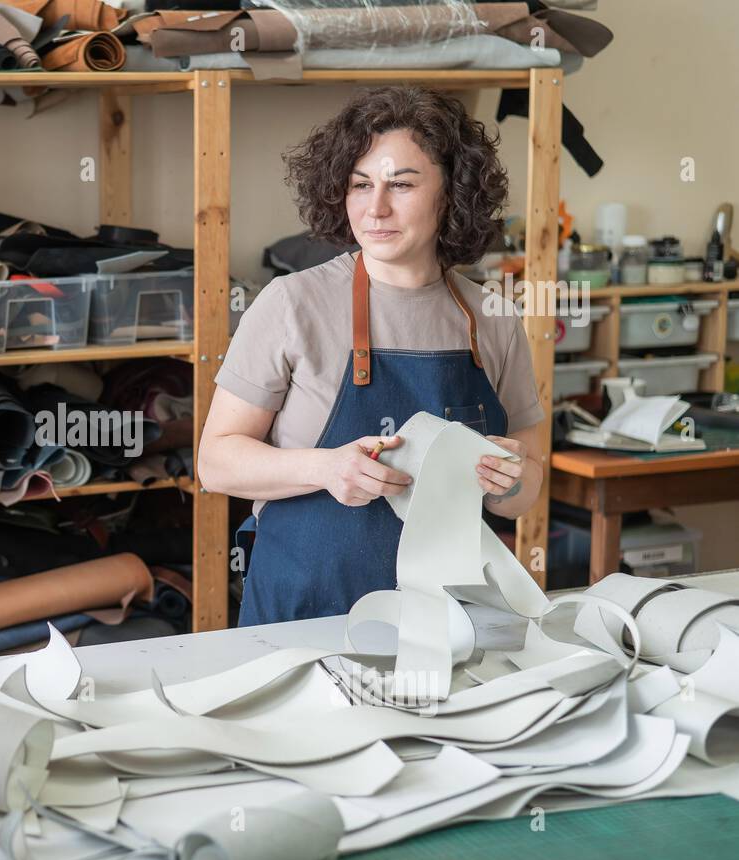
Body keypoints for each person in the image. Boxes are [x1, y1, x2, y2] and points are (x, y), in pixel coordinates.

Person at [197, 86, 545, 627]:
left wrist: (509, 481)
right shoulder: (291, 304)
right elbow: (215, 462)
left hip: (446, 624)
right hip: (303, 616)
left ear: (452, 193)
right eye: (361, 184)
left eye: (401, 185)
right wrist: (326, 468)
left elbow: (525, 491)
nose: (375, 207)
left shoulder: (494, 319)